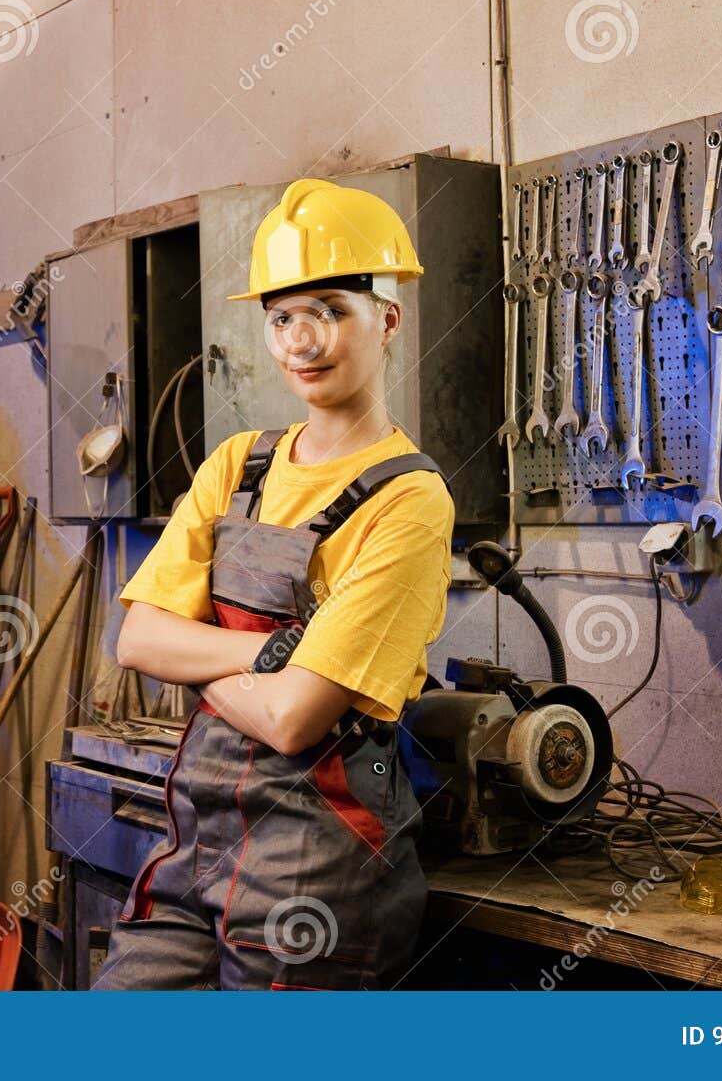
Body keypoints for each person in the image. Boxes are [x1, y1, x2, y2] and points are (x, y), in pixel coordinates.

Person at [93, 178, 456, 990]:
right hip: (195, 845)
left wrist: (202, 657)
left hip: (317, 866)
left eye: (330, 307)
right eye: (283, 315)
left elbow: (295, 719)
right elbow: (137, 638)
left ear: (387, 319)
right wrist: (270, 652)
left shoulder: (408, 498)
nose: (303, 337)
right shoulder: (238, 464)